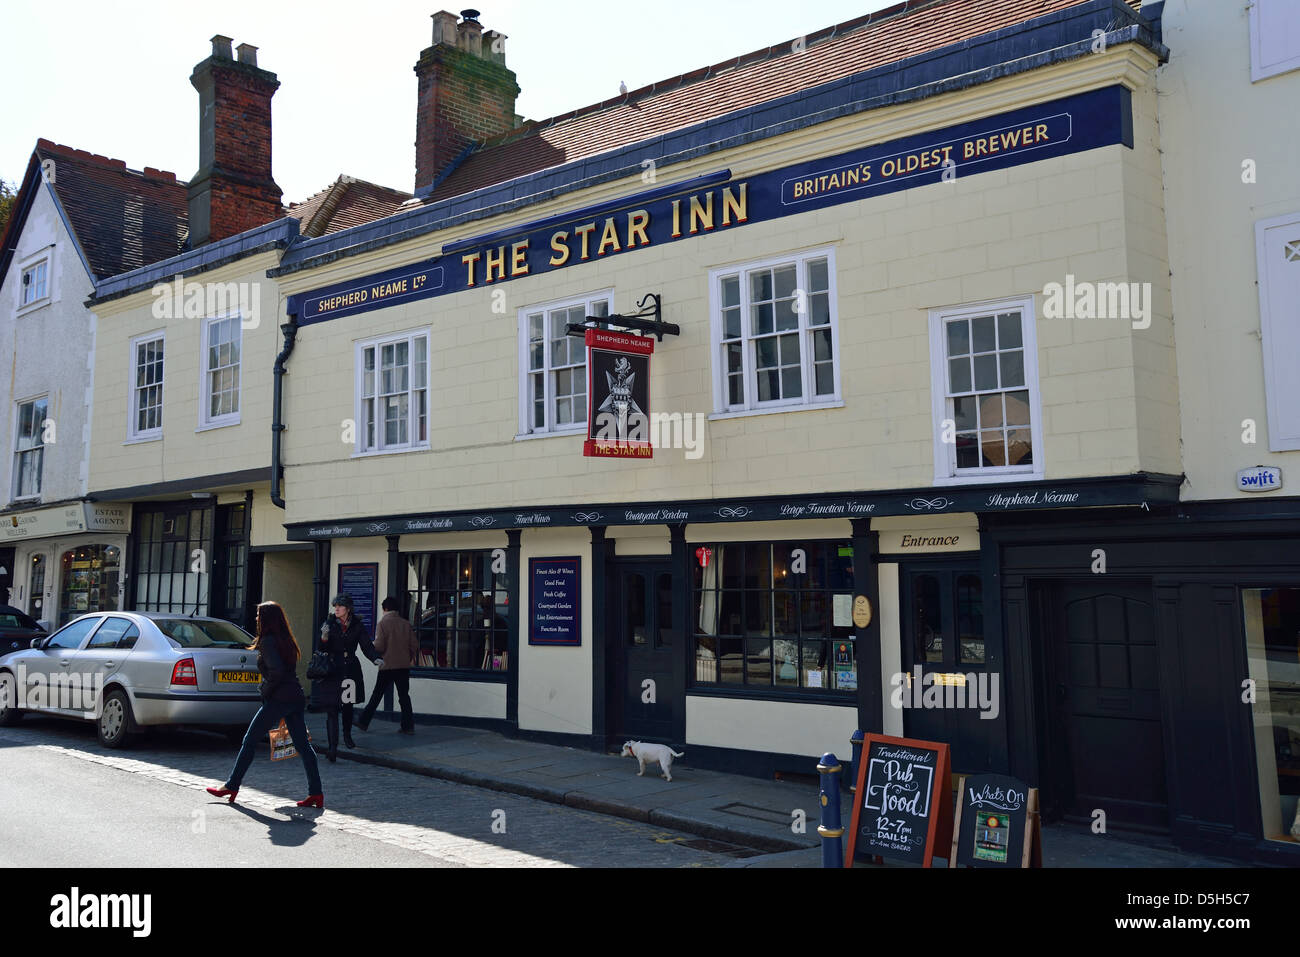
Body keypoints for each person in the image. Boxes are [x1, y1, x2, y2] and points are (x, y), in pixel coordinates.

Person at [206, 601, 323, 808]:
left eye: (259, 616)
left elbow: (276, 673)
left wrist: (264, 692)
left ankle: (231, 785)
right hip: (295, 696)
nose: (256, 619)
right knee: (303, 746)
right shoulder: (286, 639)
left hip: (279, 698)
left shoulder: (268, 641)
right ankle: (316, 793)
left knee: (249, 741)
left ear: (267, 619)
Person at [318, 593, 380, 762]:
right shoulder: (329, 623)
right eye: (335, 606)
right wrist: (324, 638)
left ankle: (347, 736)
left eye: (340, 606)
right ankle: (332, 747)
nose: (336, 608)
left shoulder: (357, 625)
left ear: (348, 609)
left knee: (347, 706)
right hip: (333, 669)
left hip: (350, 669)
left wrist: (375, 658)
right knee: (332, 709)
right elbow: (321, 647)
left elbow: (366, 645)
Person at [357, 596, 420, 734]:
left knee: (377, 694)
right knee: (404, 696)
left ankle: (363, 722)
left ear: (385, 609)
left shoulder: (382, 624)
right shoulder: (405, 624)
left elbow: (380, 646)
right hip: (403, 666)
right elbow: (414, 645)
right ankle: (408, 726)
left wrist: (372, 649)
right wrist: (407, 657)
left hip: (387, 665)